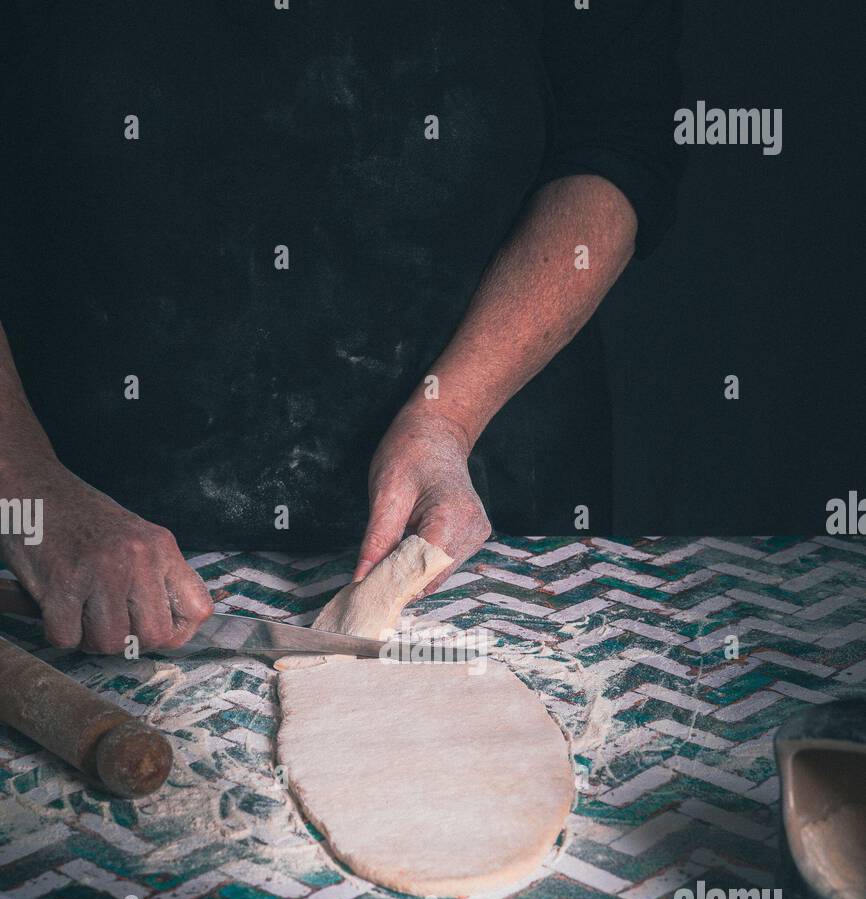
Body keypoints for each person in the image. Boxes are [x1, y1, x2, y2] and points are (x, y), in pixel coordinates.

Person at [0, 0, 683, 654]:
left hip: (478, 515)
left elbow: (619, 138)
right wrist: (28, 489)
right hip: (97, 532)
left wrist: (452, 416)